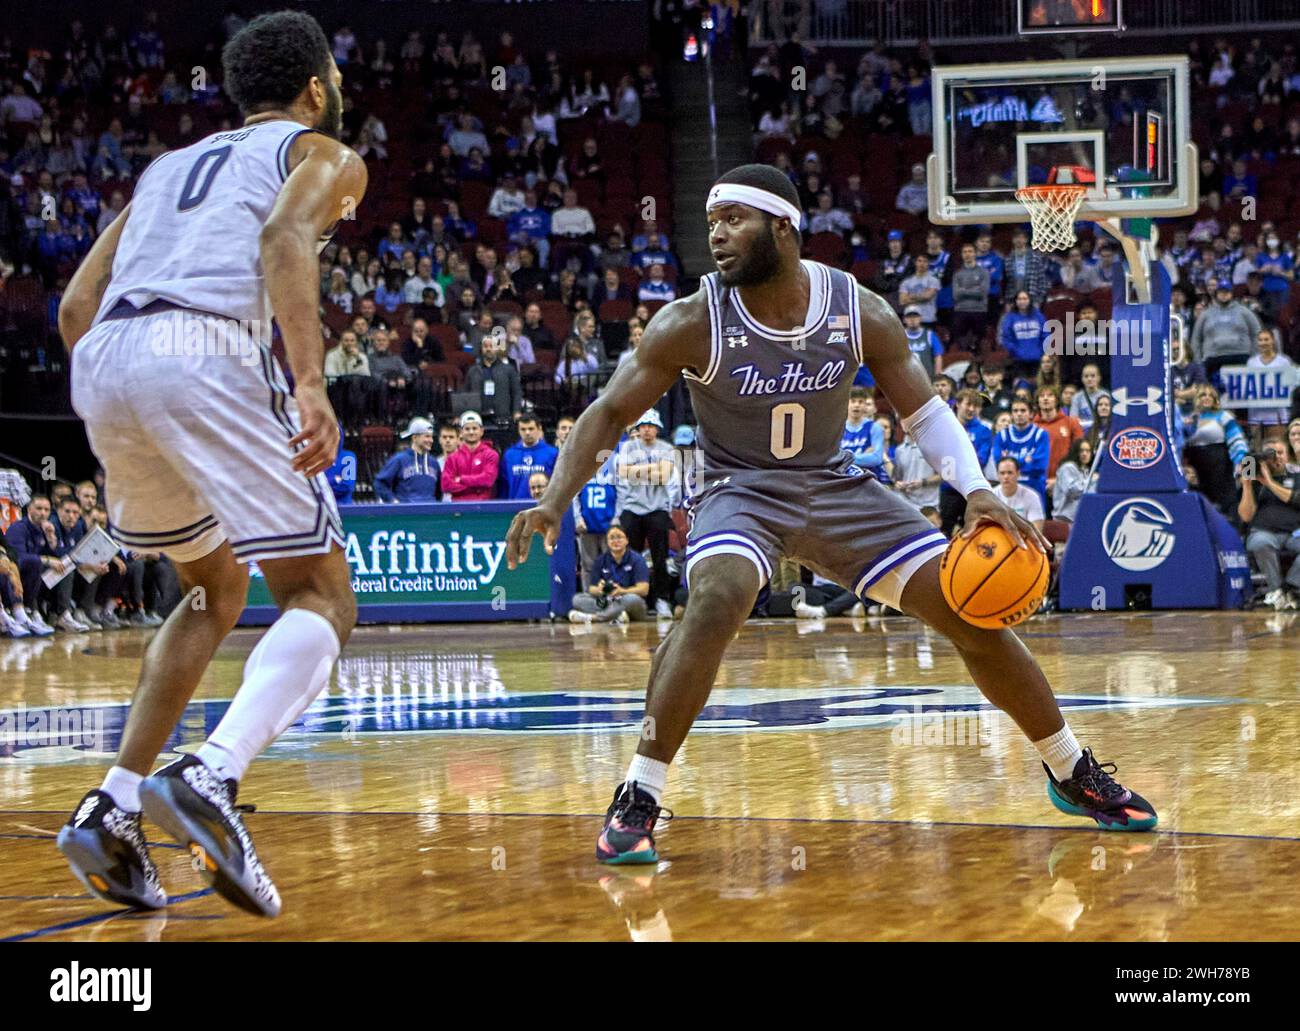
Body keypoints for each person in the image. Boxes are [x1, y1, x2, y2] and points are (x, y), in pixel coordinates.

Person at [507, 164, 1156, 865]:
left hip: (836, 486)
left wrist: (973, 486)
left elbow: (925, 409)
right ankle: (640, 791)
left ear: (782, 227)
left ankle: (1070, 769)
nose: (716, 235)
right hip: (740, 490)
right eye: (712, 220)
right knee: (720, 594)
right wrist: (553, 499)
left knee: (973, 614)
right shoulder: (692, 319)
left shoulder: (858, 310)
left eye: (734, 219)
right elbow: (608, 412)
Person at [55, 11, 367, 917]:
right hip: (205, 347)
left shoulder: (161, 169)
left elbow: (77, 304)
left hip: (106, 360)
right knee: (321, 595)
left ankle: (114, 805)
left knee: (211, 588)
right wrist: (308, 381)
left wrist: (129, 402)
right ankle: (213, 774)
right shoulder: (324, 154)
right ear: (316, 87)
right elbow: (283, 243)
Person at [615, 409, 677, 618]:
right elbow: (623, 473)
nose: (646, 430)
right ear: (638, 429)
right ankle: (628, 600)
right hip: (632, 507)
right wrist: (653, 468)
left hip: (657, 507)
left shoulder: (666, 448)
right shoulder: (627, 447)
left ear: (657, 429)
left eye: (650, 426)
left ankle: (662, 600)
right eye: (643, 426)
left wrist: (638, 470)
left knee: (660, 558)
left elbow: (664, 477)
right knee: (630, 556)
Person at [1239, 439, 1300, 610]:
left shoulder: (1297, 475)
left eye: (1280, 453)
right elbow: (1246, 515)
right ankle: (1276, 591)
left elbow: (1296, 499)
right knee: (1259, 543)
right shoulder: (1254, 480)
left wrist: (1270, 483)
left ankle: (1290, 589)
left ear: (1287, 456)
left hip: (1295, 532)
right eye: (1271, 454)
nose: (1276, 458)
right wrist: (1246, 486)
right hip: (1264, 531)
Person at [568, 525, 650, 624]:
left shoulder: (637, 559)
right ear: (607, 542)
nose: (615, 541)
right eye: (612, 538)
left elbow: (644, 589)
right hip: (609, 601)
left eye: (619, 537)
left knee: (631, 599)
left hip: (630, 603)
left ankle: (595, 618)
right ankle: (616, 617)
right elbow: (591, 589)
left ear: (627, 540)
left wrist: (622, 591)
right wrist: (600, 590)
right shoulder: (600, 560)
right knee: (577, 599)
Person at [1185, 385, 1247, 513]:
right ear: (1196, 398)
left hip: (1219, 464)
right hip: (1195, 466)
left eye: (1211, 395)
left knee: (1225, 503)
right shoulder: (1189, 418)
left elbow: (1237, 441)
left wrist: (1240, 461)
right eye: (1203, 395)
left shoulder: (1224, 416)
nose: (1207, 398)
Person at [940, 388, 993, 535]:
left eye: (975, 406)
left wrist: (955, 460)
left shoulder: (984, 431)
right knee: (946, 530)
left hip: (971, 489)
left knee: (971, 531)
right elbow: (944, 459)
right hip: (949, 488)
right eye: (968, 404)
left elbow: (981, 460)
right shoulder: (946, 428)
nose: (971, 409)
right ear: (958, 404)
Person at [993, 398, 1050, 511]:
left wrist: (1010, 463)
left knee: (1033, 526)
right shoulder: (1002, 435)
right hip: (1008, 488)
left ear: (1031, 414)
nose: (1019, 414)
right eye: (1015, 411)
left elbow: (1040, 466)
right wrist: (1027, 460)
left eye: (1023, 410)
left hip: (1034, 486)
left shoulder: (1040, 435)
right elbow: (999, 464)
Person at [373, 417, 441, 503]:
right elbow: (379, 483)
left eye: (431, 437)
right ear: (414, 438)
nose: (431, 440)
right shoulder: (399, 459)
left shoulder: (434, 462)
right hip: (407, 512)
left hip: (431, 512)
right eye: (427, 436)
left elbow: (439, 491)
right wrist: (393, 500)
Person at [465, 332, 523, 426]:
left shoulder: (508, 369)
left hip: (503, 416)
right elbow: (466, 392)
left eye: (491, 346)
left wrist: (516, 411)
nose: (488, 349)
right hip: (478, 418)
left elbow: (516, 392)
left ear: (497, 348)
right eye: (485, 346)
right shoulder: (473, 371)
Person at [442, 410, 499, 500]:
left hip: (483, 508)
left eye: (474, 428)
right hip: (458, 509)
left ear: (482, 431)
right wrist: (477, 487)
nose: (471, 432)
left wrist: (461, 479)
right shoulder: (452, 458)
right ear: (461, 432)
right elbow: (446, 485)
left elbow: (488, 480)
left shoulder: (491, 455)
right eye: (467, 429)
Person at [500, 414, 559, 499]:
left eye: (531, 429)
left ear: (539, 429)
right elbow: (503, 485)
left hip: (543, 507)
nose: (527, 433)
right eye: (523, 429)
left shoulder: (552, 453)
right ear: (518, 431)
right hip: (515, 507)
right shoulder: (510, 454)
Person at [994, 457, 1045, 531]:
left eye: (1010, 473)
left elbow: (1037, 530)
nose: (1006, 477)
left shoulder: (1032, 497)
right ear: (997, 475)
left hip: (1024, 539)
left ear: (1018, 474)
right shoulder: (990, 496)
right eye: (1002, 473)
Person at [1052, 438, 1094, 525]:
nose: (1085, 454)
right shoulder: (1068, 467)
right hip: (1065, 521)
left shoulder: (1086, 471)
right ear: (1075, 452)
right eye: (1081, 451)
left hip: (1080, 520)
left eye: (1088, 451)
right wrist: (1091, 481)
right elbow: (1072, 491)